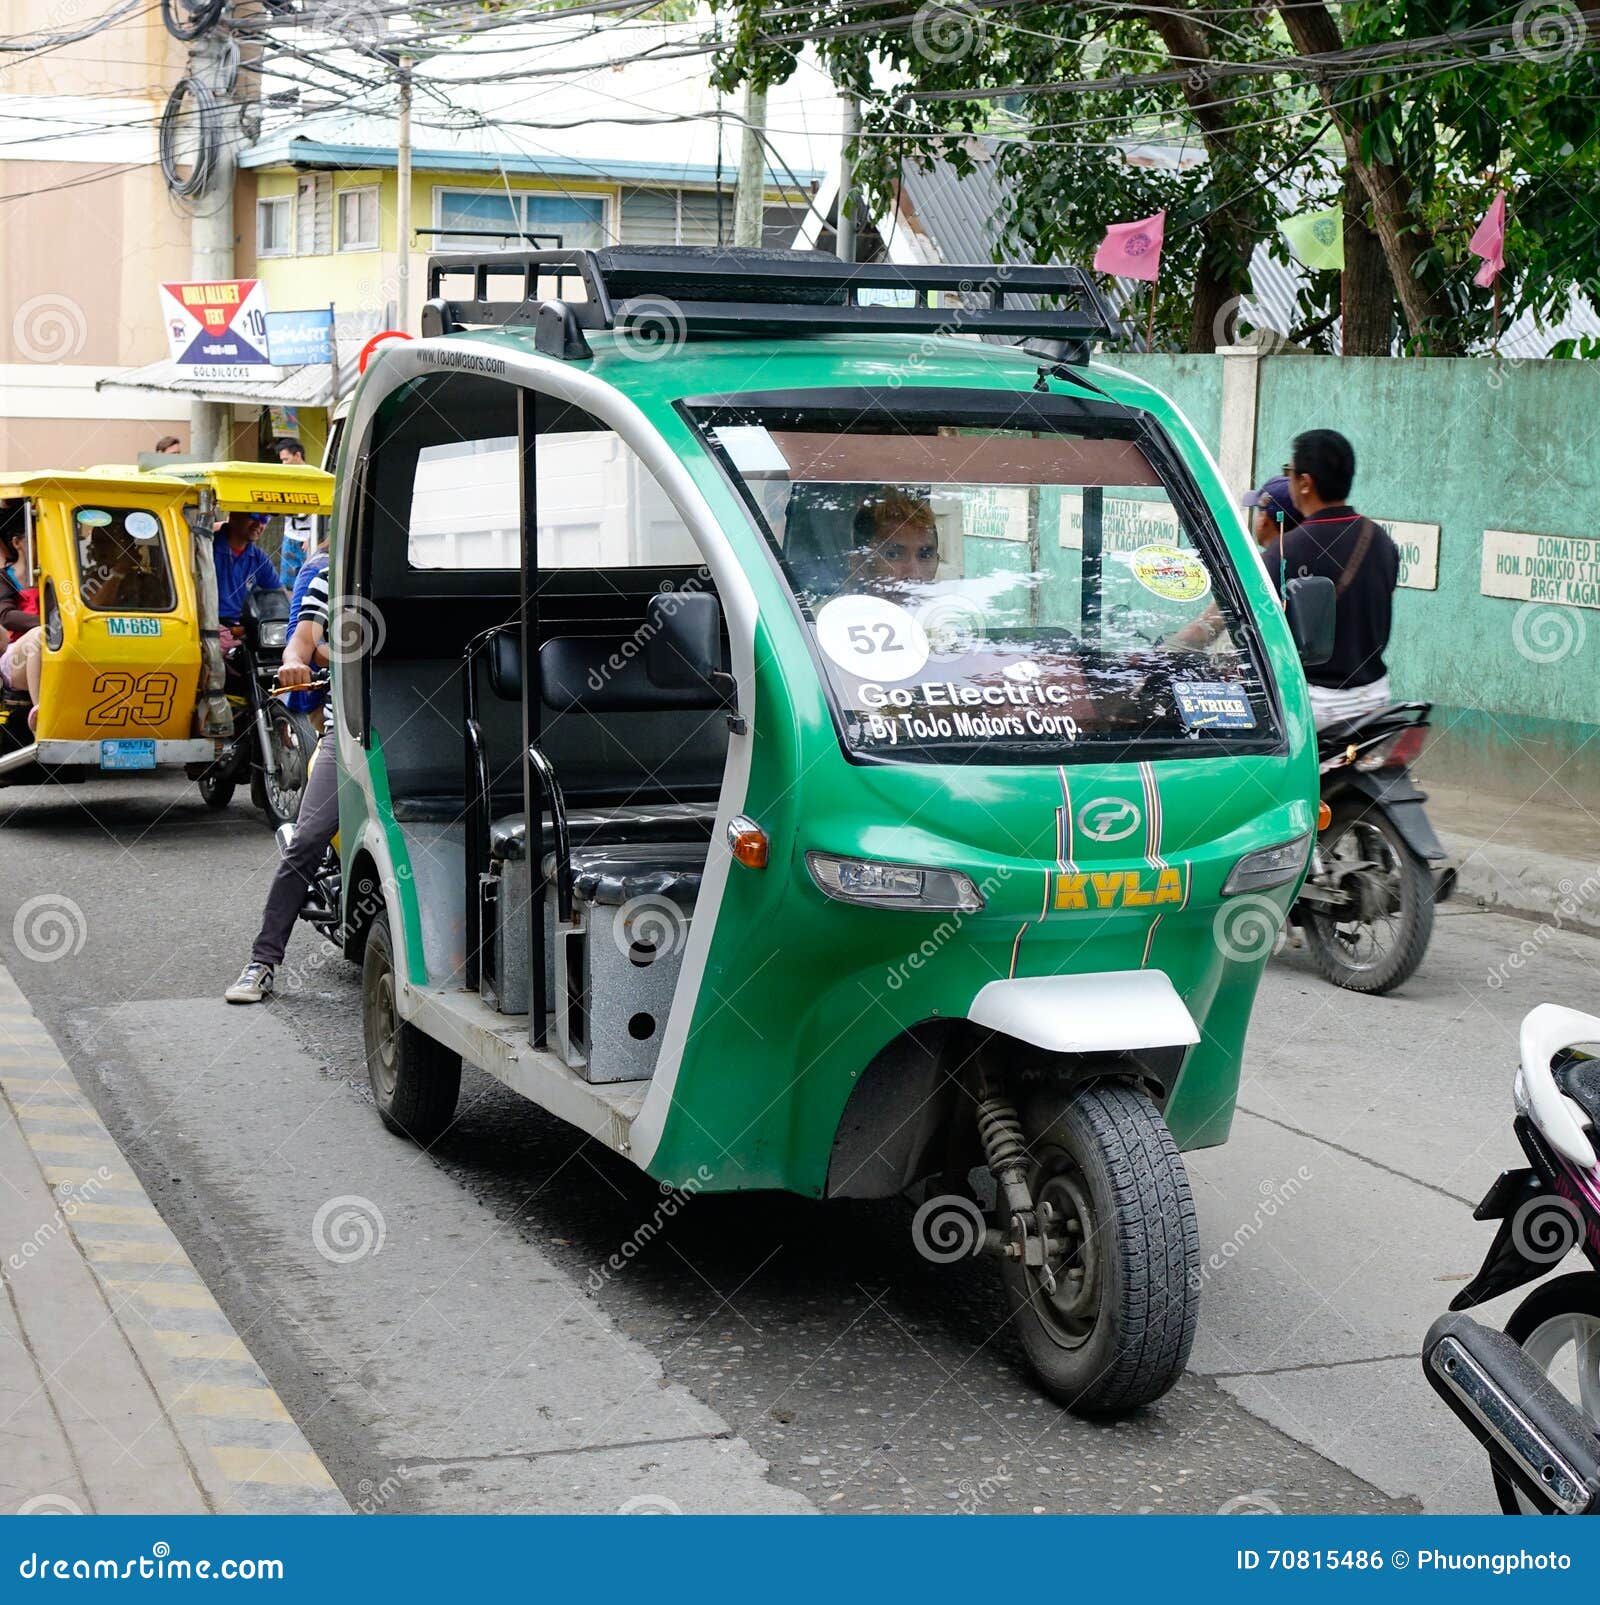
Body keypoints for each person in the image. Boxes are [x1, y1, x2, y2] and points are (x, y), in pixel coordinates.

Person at [225, 556, 333, 1005]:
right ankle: (262, 963)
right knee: (306, 841)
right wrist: (293, 664)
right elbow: (300, 644)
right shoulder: (331, 578)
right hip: (351, 737)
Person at [1266, 429, 1399, 729]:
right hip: (1374, 699)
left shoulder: (1286, 551)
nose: (1289, 479)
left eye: (1290, 473)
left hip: (1315, 709)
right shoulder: (1381, 541)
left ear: (1305, 483)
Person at [849, 489, 940, 586]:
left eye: (925, 556)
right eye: (893, 555)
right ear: (859, 566)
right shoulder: (840, 601)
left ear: (937, 562)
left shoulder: (953, 600)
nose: (914, 575)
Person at [213, 510, 281, 634]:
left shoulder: (259, 558)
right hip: (206, 627)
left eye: (264, 519)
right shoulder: (206, 550)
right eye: (254, 515)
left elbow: (278, 596)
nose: (259, 524)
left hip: (241, 631)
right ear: (233, 514)